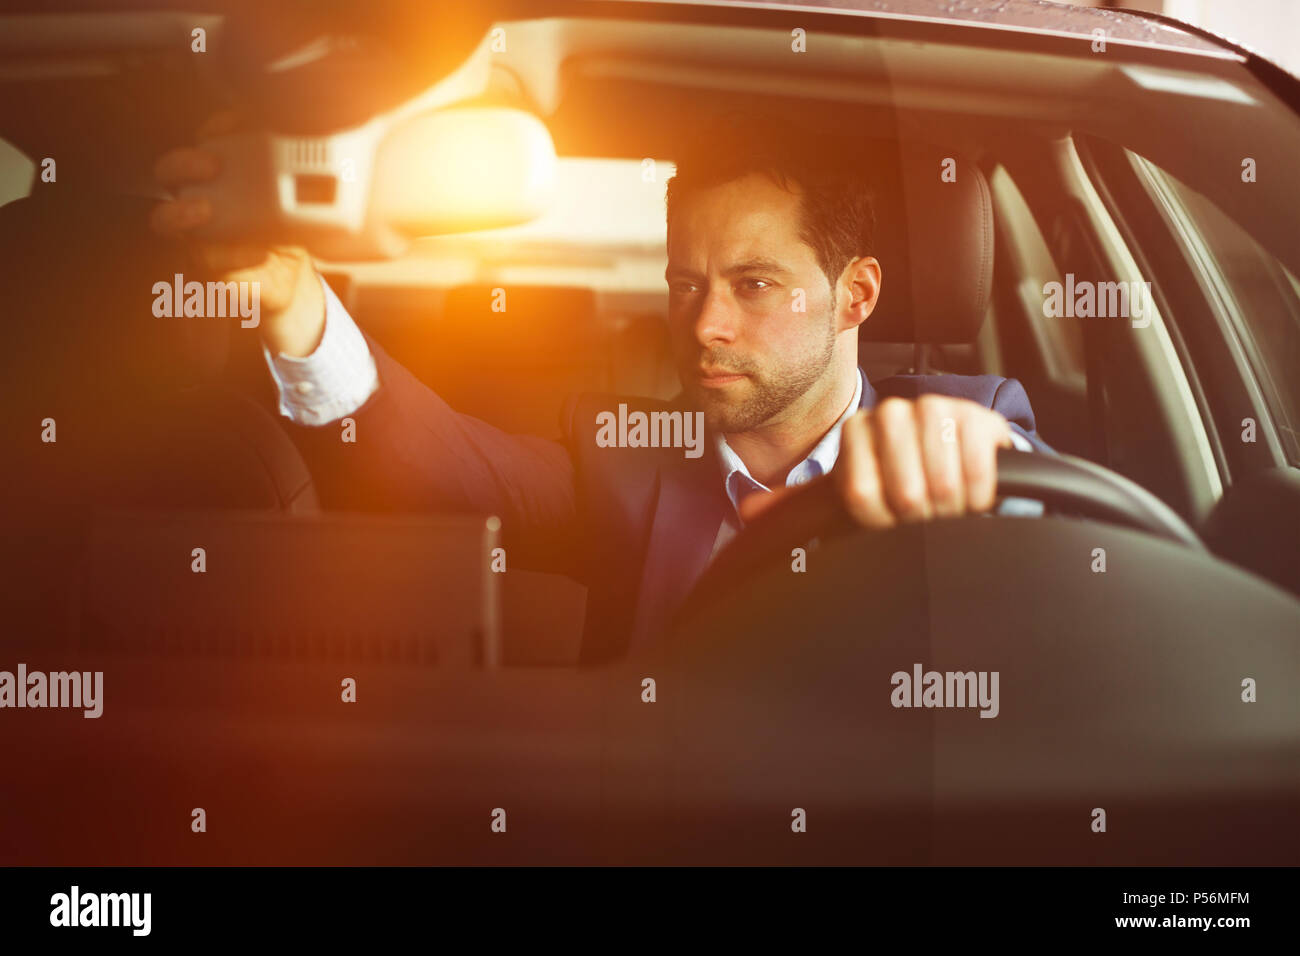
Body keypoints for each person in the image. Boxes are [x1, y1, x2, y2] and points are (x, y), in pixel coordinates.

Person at [151, 116, 1046, 663]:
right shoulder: (628, 461)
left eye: (755, 285)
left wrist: (985, 475)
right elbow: (442, 468)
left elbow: (1056, 537)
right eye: (685, 284)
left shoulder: (967, 427)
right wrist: (297, 303)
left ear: (857, 295)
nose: (704, 327)